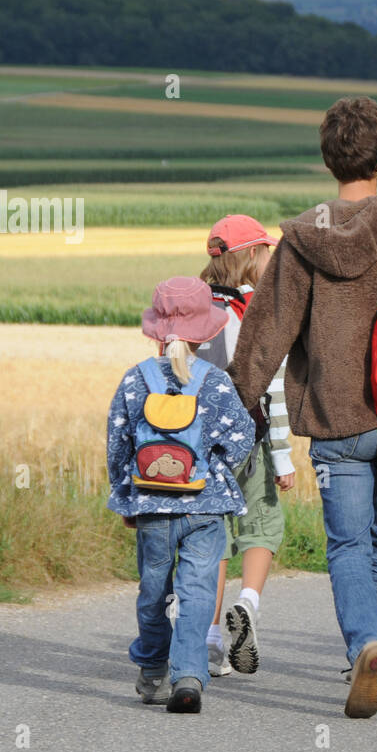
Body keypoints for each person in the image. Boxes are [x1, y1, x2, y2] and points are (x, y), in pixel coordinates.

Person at [229, 96, 377, 718]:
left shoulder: (303, 237)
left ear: (328, 159)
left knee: (347, 546)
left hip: (337, 421)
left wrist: (234, 408)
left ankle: (366, 644)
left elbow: (265, 335)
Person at [107, 276, 256, 713]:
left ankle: (153, 672)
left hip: (151, 505)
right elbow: (242, 440)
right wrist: (212, 468)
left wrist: (127, 496)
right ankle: (189, 675)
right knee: (197, 592)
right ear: (207, 331)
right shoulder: (216, 382)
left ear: (155, 329)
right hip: (206, 508)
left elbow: (118, 445)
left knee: (154, 589)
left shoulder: (136, 381)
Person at [193, 214, 295, 678]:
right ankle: (248, 604)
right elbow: (270, 392)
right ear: (252, 256)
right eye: (266, 251)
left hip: (197, 444)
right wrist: (284, 457)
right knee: (262, 526)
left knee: (213, 538)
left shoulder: (191, 307)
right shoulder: (258, 312)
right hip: (250, 440)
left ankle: (211, 638)